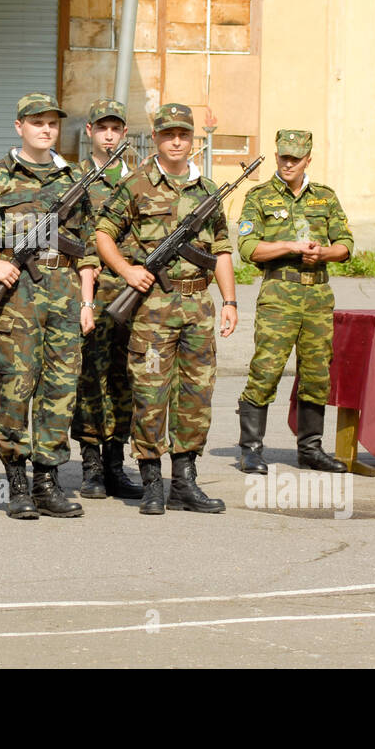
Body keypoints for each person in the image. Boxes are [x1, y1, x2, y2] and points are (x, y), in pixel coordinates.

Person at [0, 93, 97, 520]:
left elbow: (88, 248)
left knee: (60, 392)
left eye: (52, 123)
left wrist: (87, 302)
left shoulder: (73, 178)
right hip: (17, 299)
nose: (46, 129)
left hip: (66, 297)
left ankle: (48, 483)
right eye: (37, 122)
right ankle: (16, 484)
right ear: (19, 126)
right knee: (17, 389)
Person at [95, 103, 238, 515]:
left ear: (193, 139)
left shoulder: (208, 191)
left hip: (198, 304)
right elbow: (103, 234)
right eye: (168, 134)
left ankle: (185, 481)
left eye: (184, 134)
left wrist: (229, 301)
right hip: (153, 307)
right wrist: (126, 270)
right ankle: (152, 481)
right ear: (155, 137)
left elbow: (223, 250)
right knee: (150, 391)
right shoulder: (136, 184)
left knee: (196, 394)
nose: (177, 141)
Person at [235, 129, 352, 475]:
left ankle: (310, 449)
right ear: (276, 157)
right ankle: (251, 450)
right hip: (278, 296)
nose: (288, 164)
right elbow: (247, 248)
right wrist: (291, 247)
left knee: (317, 374)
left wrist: (324, 253)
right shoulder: (259, 197)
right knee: (266, 371)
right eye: (283, 157)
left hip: (317, 295)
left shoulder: (325, 197)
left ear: (307, 160)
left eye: (295, 159)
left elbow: (346, 243)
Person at [70, 98, 141, 499]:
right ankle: (91, 465)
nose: (109, 135)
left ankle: (116, 462)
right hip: (91, 293)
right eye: (102, 128)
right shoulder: (73, 179)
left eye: (115, 128)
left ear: (124, 134)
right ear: (90, 133)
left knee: (125, 379)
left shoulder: (140, 179)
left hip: (132, 293)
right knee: (89, 378)